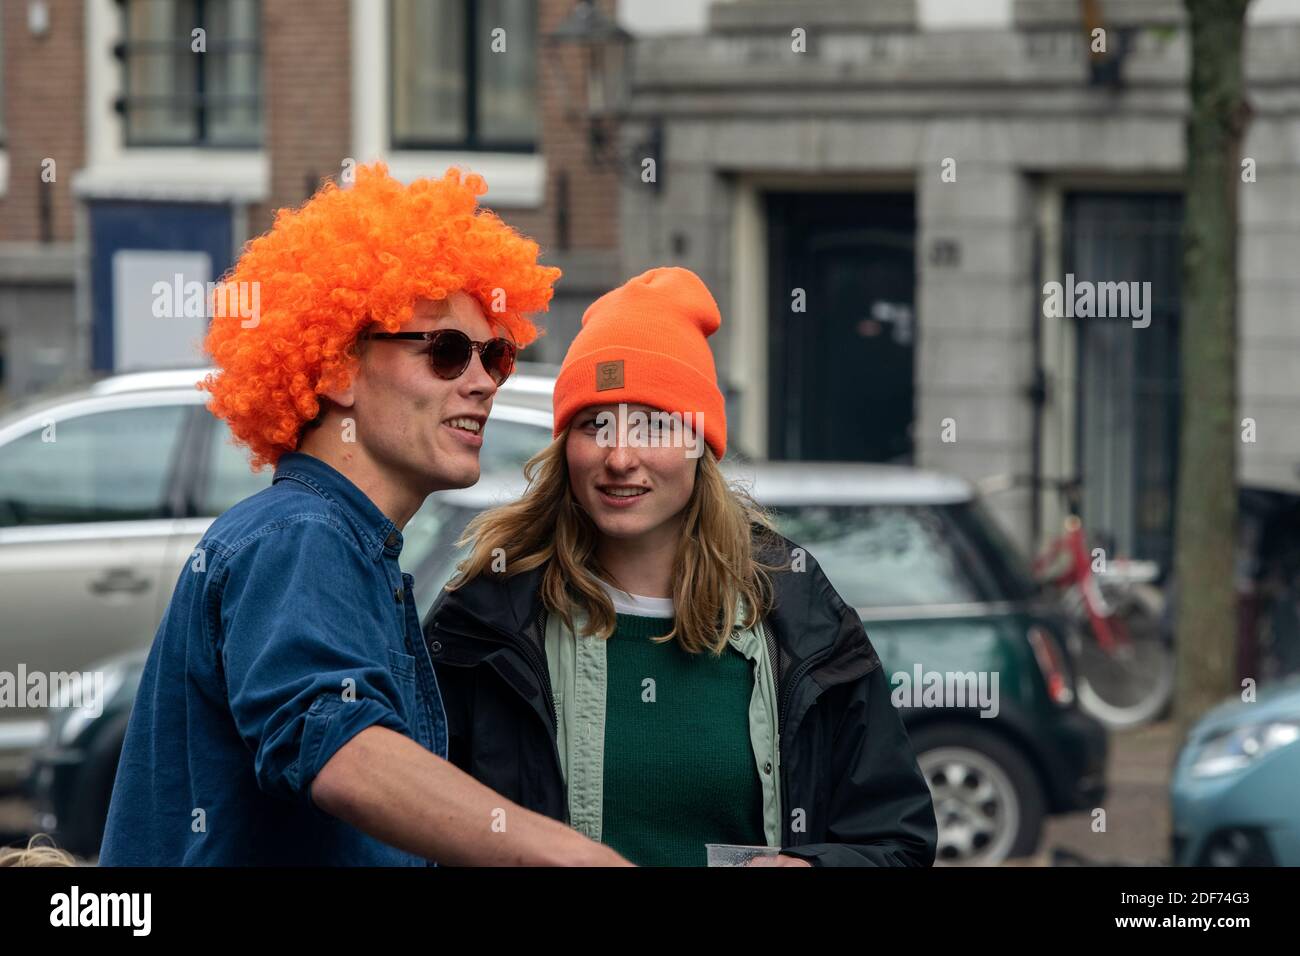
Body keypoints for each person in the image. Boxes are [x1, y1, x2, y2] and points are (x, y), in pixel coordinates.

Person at [100, 163, 627, 866]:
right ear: (334, 370)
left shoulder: (344, 543)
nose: (482, 382)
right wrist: (570, 857)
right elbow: (340, 751)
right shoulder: (300, 538)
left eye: (494, 354)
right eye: (445, 351)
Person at [425, 266, 937, 866]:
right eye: (596, 424)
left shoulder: (795, 610)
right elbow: (410, 825)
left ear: (701, 445)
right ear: (566, 445)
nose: (621, 457)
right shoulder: (491, 613)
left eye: (654, 425)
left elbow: (898, 842)